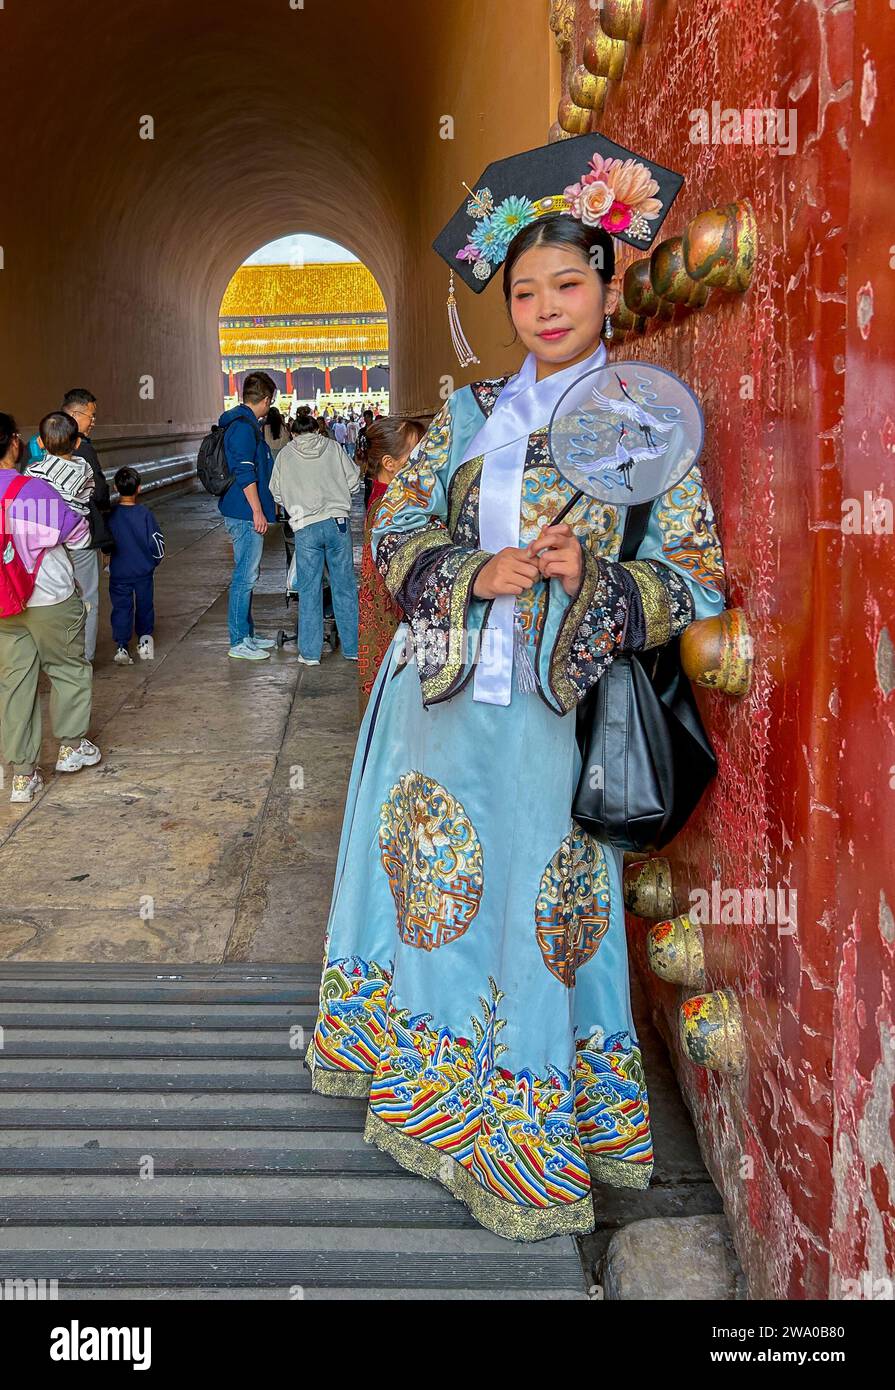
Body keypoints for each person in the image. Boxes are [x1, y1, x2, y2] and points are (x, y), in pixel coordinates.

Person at [305, 136, 727, 1243]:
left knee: (539, 915)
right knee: (423, 886)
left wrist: (595, 575)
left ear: (608, 286)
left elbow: (693, 576)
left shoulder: (647, 415)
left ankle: (523, 1137)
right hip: (435, 698)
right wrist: (462, 568)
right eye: (524, 290)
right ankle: (422, 1093)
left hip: (551, 713)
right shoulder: (464, 414)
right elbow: (395, 520)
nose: (544, 308)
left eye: (568, 285)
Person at [0, 411, 101, 804]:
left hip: (5, 605)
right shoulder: (32, 490)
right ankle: (71, 747)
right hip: (49, 597)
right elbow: (76, 535)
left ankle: (22, 777)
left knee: (14, 683)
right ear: (13, 443)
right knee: (67, 669)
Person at [27, 388, 111, 663]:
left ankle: (52, 652)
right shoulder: (84, 463)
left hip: (46, 542)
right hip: (79, 538)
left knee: (50, 597)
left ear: (41, 441)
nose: (94, 421)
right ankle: (82, 656)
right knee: (87, 597)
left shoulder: (33, 471)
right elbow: (94, 495)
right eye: (91, 415)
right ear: (75, 442)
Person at [270, 411, 360, 666]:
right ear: (317, 430)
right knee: (344, 585)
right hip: (337, 522)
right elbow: (354, 482)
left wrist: (296, 503)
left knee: (309, 589)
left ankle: (310, 653)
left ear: (294, 433)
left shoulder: (286, 455)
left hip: (305, 525)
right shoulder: (332, 447)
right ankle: (352, 647)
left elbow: (276, 493)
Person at [357, 416, 425, 716]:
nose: (426, 460)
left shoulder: (384, 495)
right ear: (390, 463)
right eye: (417, 454)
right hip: (392, 614)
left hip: (384, 613)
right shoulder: (393, 509)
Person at [217, 370, 278, 662]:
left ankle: (247, 634)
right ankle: (238, 640)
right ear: (265, 400)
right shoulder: (243, 428)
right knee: (244, 576)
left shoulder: (245, 423)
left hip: (244, 510)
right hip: (244, 512)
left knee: (248, 574)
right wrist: (257, 510)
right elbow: (244, 472)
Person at [107, 467, 165, 665]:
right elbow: (156, 542)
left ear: (115, 487)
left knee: (122, 608)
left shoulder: (111, 514)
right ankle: (145, 645)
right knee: (145, 606)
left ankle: (122, 646)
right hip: (142, 572)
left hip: (119, 572)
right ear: (139, 488)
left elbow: (106, 543)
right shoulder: (145, 514)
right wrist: (154, 561)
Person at [356, 408, 375, 507]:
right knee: (367, 480)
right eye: (365, 417)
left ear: (371, 417)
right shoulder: (362, 431)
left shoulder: (376, 430)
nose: (367, 419)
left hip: (375, 458)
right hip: (366, 458)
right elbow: (358, 444)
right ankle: (368, 502)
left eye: (368, 417)